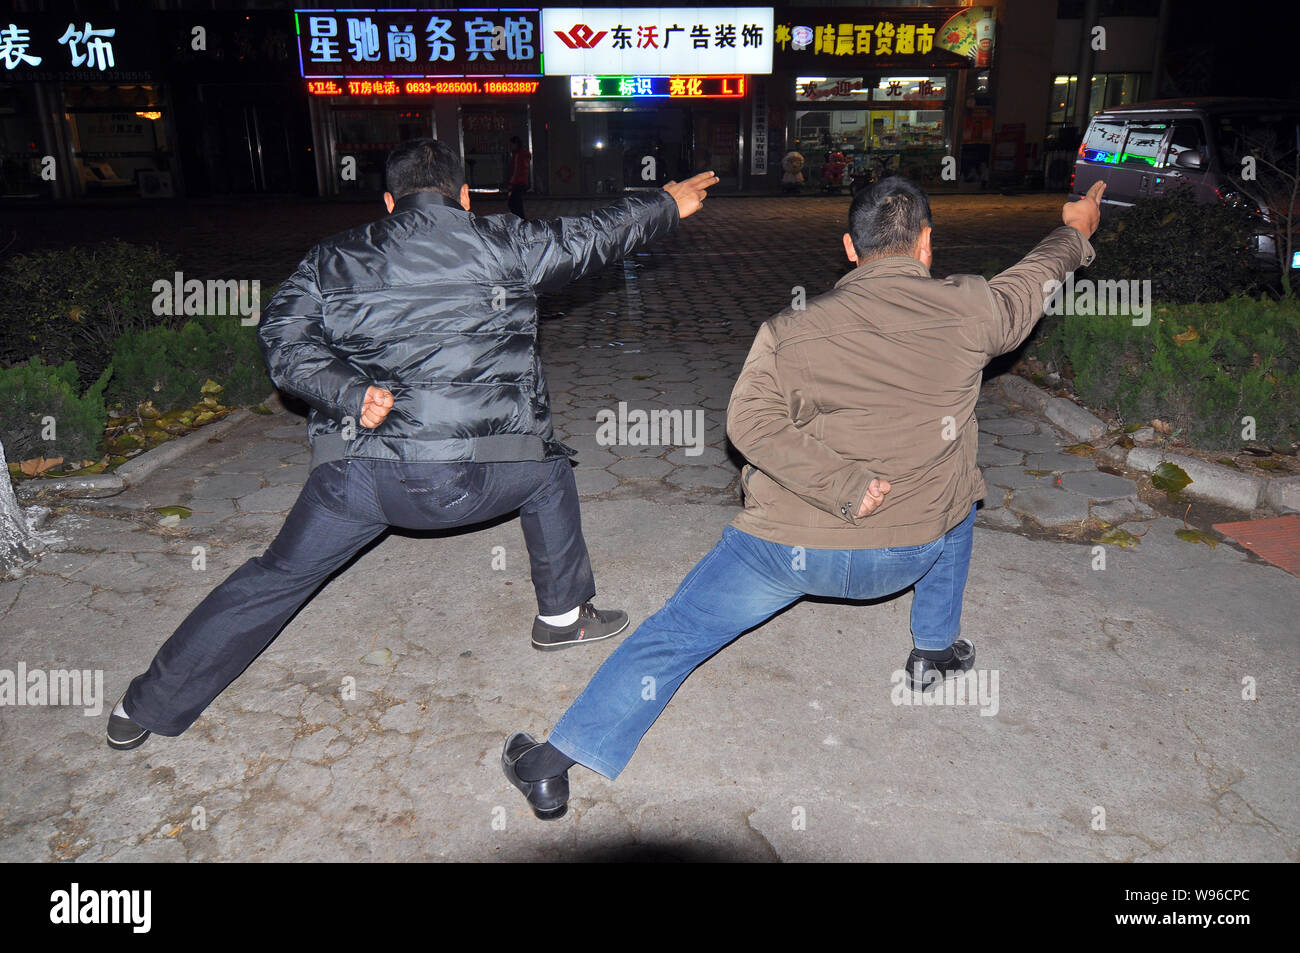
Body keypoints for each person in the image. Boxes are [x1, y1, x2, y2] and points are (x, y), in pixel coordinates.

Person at [502, 176, 1108, 820]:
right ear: (927, 245)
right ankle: (933, 650)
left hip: (785, 553)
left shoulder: (791, 331)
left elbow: (749, 425)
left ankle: (550, 766)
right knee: (959, 487)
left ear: (850, 248)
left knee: (677, 632)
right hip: (913, 549)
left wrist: (843, 486)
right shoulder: (974, 306)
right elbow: (1030, 281)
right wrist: (1076, 231)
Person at [106, 138, 718, 751]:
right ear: (466, 196)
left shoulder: (333, 257)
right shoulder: (506, 241)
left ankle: (147, 708)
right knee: (550, 469)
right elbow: (587, 237)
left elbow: (283, 341)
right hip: (487, 475)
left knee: (273, 577)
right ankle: (562, 618)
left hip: (362, 481)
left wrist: (348, 393)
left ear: (390, 200)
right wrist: (663, 203)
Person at [507, 135, 530, 220]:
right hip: (522, 181)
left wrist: (511, 183)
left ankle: (520, 220)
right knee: (517, 202)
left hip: (518, 182)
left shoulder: (518, 155)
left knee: (513, 203)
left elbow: (516, 170)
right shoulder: (523, 154)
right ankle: (520, 219)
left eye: (512, 144)